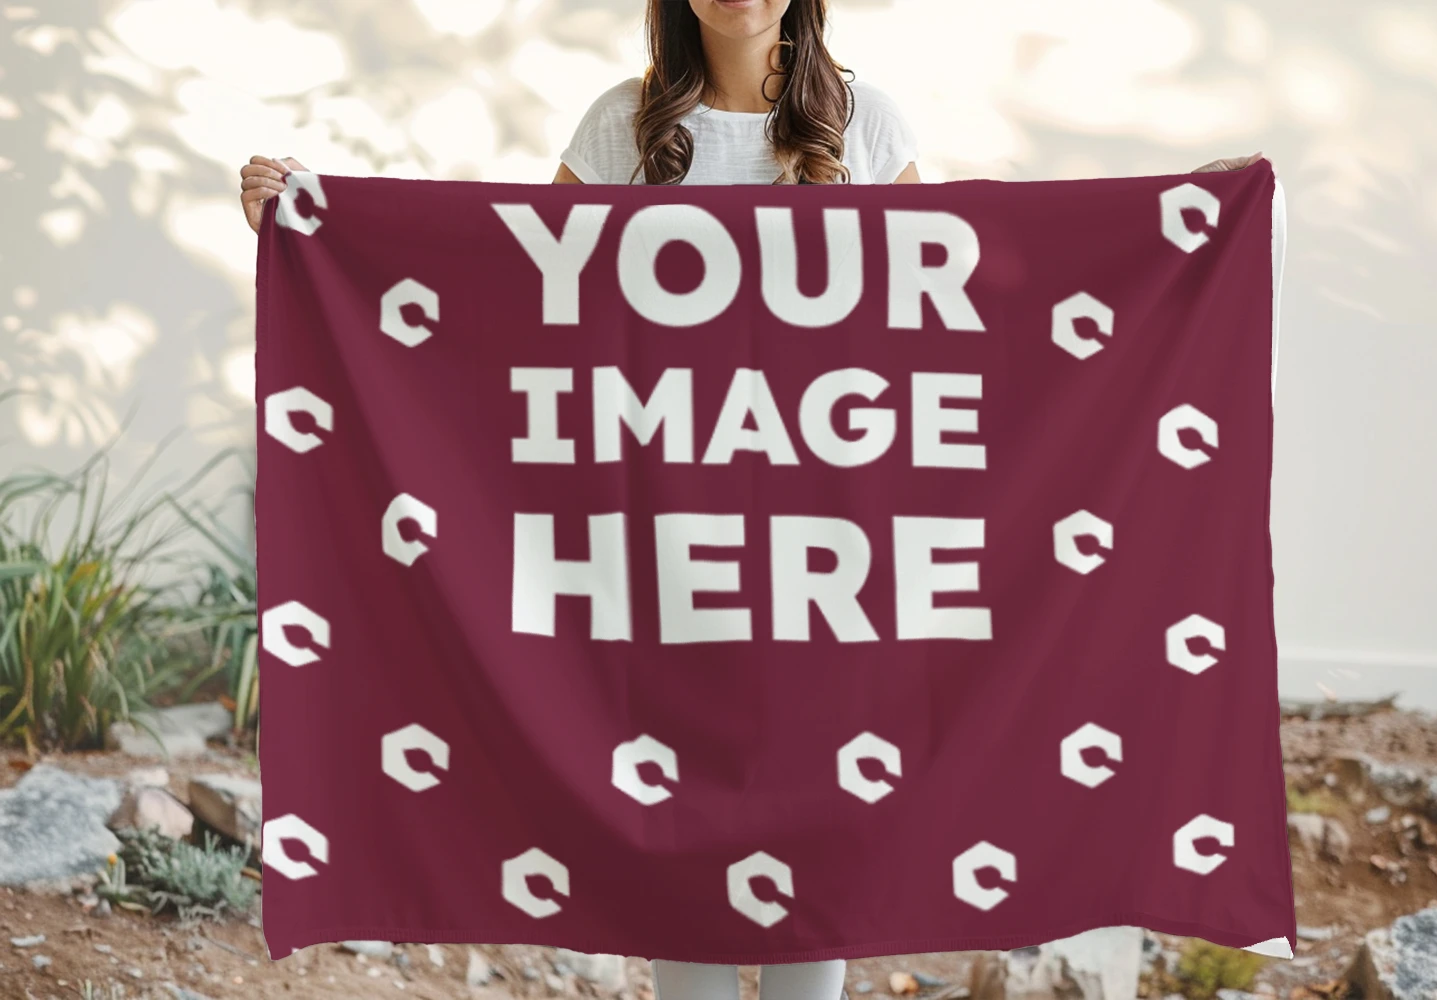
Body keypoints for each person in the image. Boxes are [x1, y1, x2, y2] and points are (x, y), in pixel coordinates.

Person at [236, 3, 1263, 996]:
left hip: (831, 560)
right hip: (665, 559)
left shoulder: (870, 125)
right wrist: (316, 227)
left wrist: (1176, 231)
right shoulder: (618, 128)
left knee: (827, 852)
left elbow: (960, 318)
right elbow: (510, 298)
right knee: (673, 848)